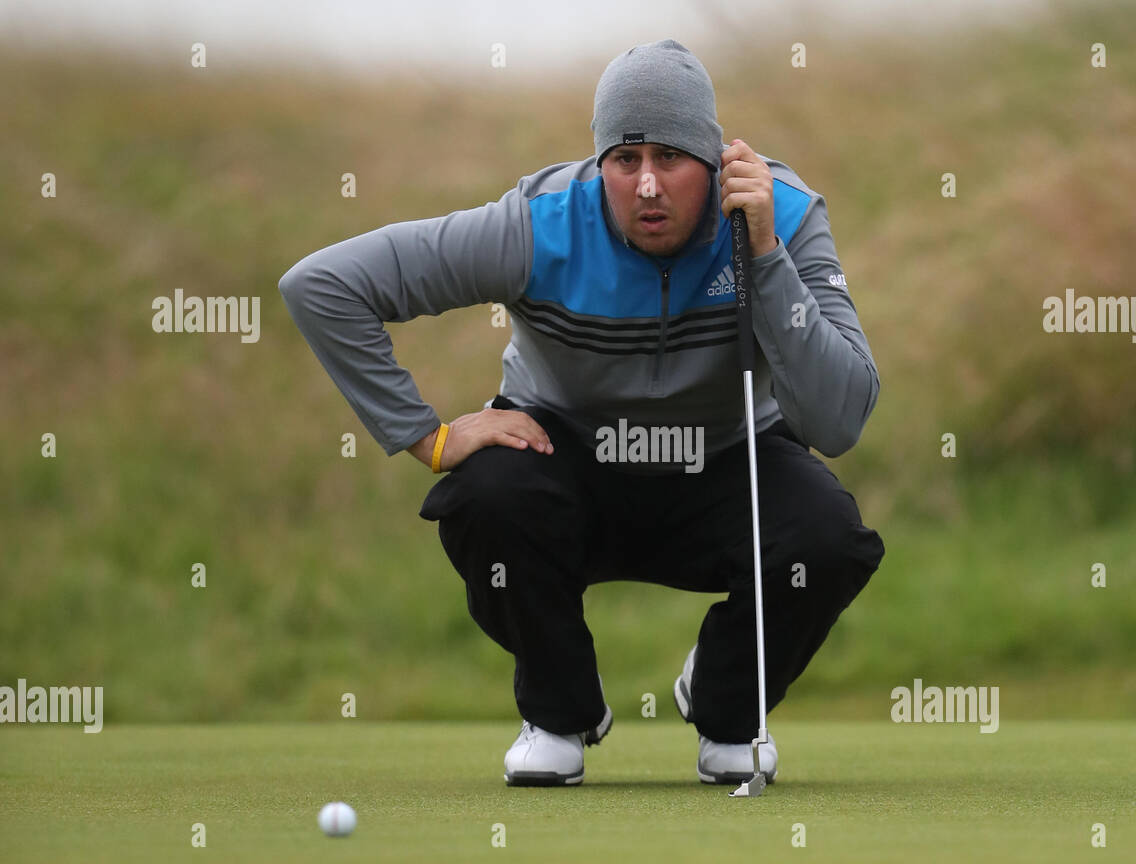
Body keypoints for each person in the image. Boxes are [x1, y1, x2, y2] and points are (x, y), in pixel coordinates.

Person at [279, 39, 884, 787]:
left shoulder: (782, 217)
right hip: (567, 462)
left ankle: (729, 704)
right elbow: (323, 286)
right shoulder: (543, 225)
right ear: (600, 166)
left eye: (671, 157)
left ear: (717, 159)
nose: (649, 186)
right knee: (483, 498)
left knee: (828, 536)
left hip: (724, 459)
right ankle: (560, 711)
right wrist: (428, 436)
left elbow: (841, 420)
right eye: (625, 162)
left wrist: (764, 257)